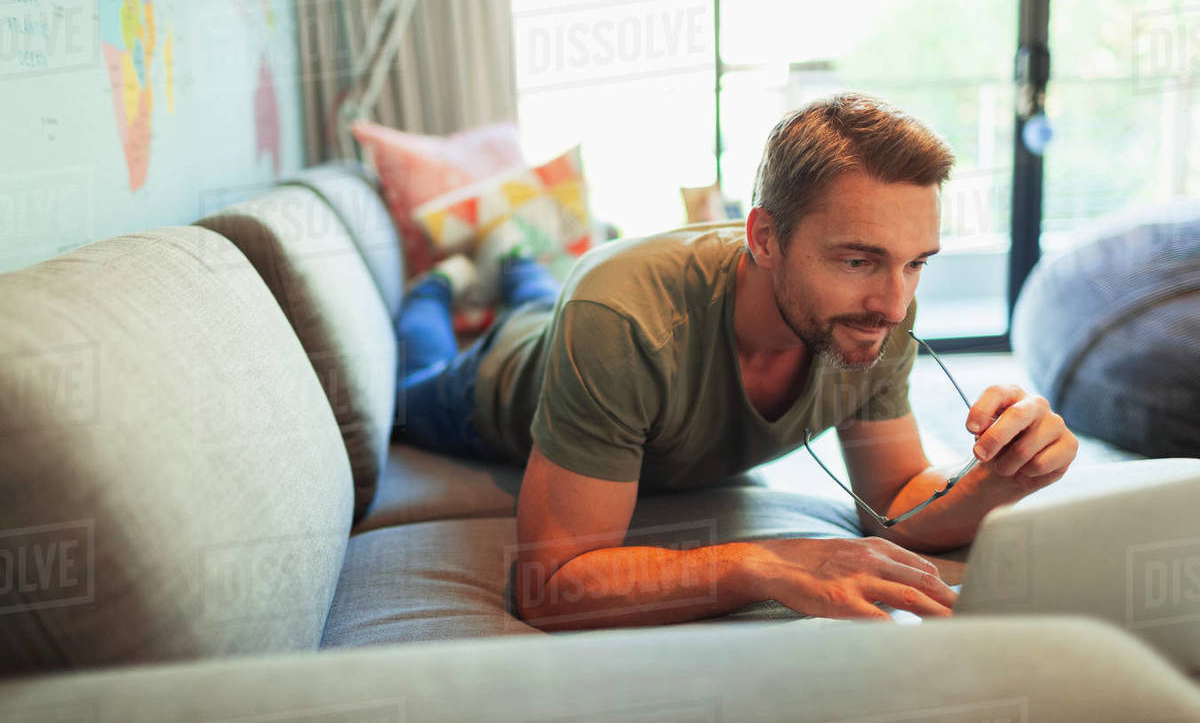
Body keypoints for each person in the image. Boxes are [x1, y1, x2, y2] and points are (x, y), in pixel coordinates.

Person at [394, 92, 1079, 631]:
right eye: (857, 259)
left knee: (533, 288)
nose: (894, 305)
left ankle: (513, 262)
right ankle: (436, 286)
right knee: (420, 366)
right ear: (765, 237)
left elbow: (895, 501)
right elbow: (551, 588)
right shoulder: (621, 315)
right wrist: (764, 563)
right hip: (496, 381)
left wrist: (1003, 476)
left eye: (916, 264)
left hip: (569, 320)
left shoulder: (877, 311)